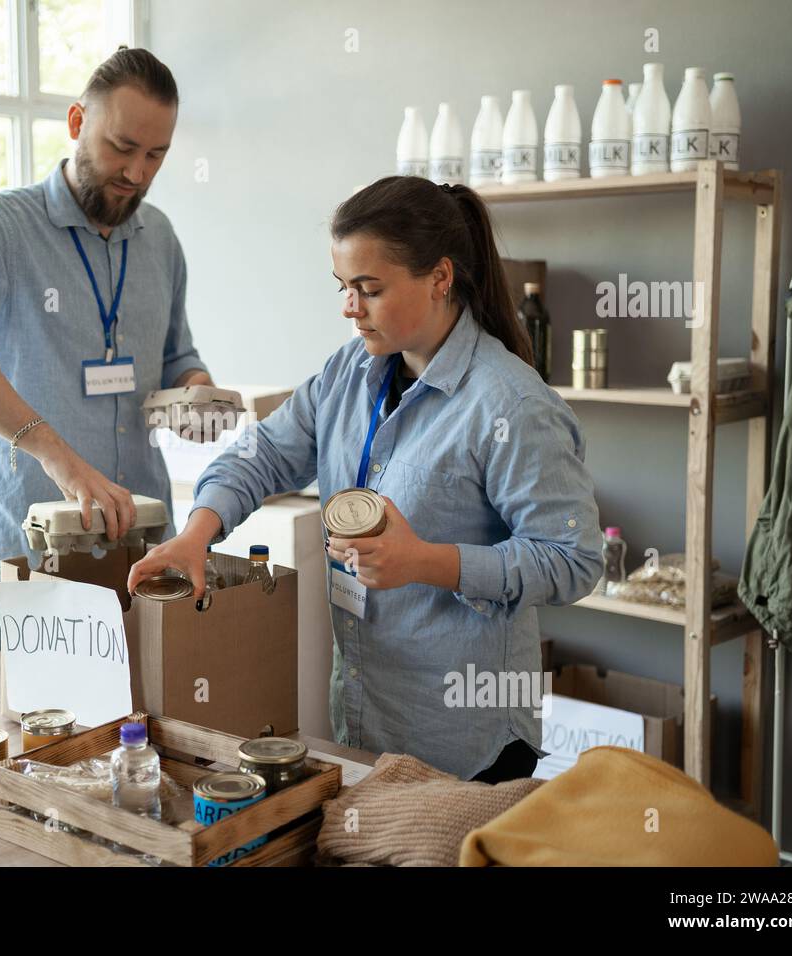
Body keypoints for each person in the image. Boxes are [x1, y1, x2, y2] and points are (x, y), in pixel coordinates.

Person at [127, 176, 603, 783]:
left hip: (465, 741)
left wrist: (426, 562)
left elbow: (574, 559)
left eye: (369, 289)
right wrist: (198, 533)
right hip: (364, 720)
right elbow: (262, 452)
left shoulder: (510, 405)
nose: (349, 307)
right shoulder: (350, 370)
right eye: (344, 287)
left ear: (439, 277)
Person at [0, 48, 213, 653]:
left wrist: (195, 390)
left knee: (146, 741)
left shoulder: (162, 239)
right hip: (38, 551)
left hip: (148, 549)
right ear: (76, 123)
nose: (137, 173)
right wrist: (57, 456)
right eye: (122, 147)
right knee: (42, 742)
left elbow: (177, 354)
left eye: (156, 155)